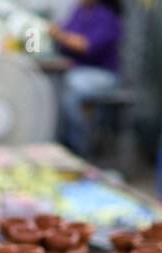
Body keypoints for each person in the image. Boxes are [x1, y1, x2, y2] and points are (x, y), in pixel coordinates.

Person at [50, 0, 124, 161]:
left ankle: (80, 149)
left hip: (104, 75)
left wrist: (60, 35)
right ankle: (60, 144)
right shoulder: (78, 12)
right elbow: (65, 40)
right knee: (59, 86)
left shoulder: (106, 17)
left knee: (72, 90)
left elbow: (86, 46)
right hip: (77, 72)